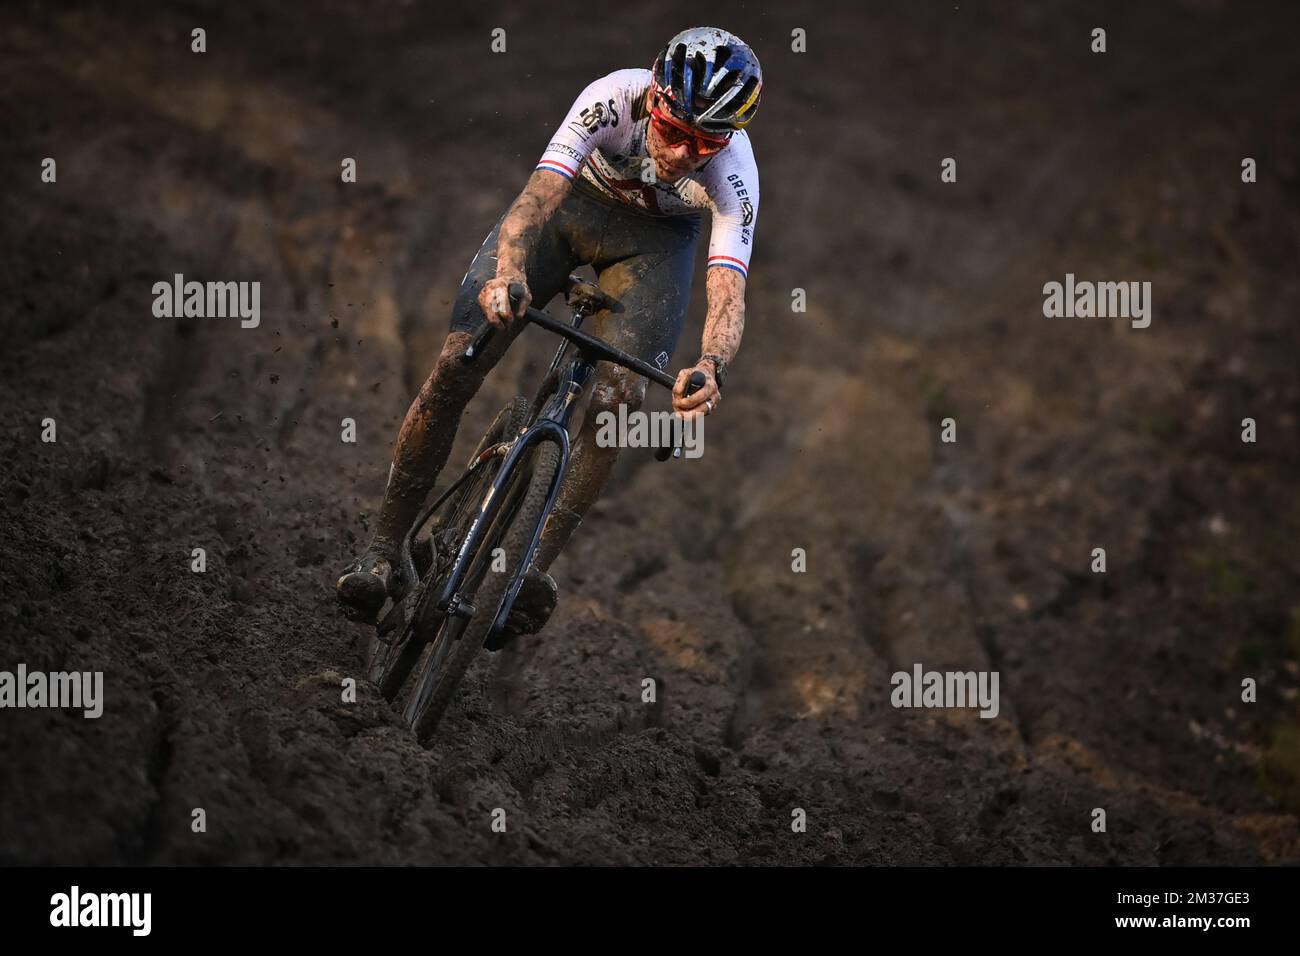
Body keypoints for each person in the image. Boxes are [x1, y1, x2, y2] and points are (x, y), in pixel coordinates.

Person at [337, 26, 763, 640]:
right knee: (459, 362)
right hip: (570, 211)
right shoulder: (613, 98)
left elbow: (727, 288)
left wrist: (711, 365)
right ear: (655, 99)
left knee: (619, 404)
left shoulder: (736, 175)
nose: (679, 156)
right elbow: (537, 200)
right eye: (673, 132)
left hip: (655, 247)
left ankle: (525, 574)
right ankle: (381, 550)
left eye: (702, 144)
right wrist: (508, 271)